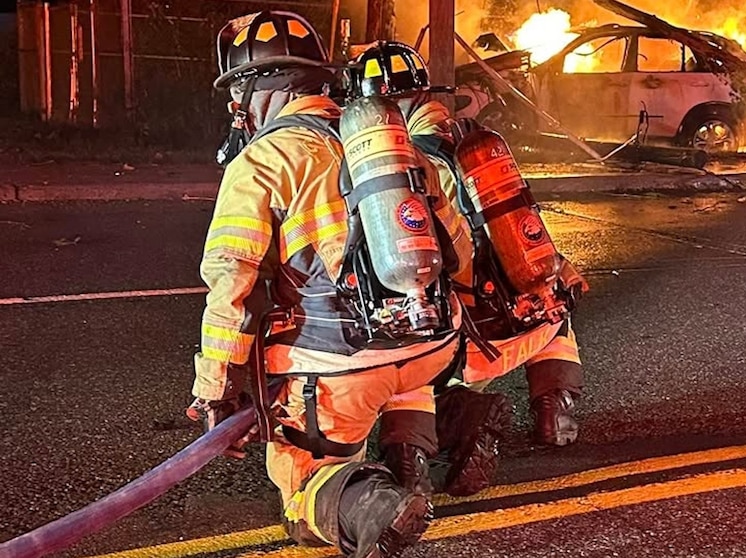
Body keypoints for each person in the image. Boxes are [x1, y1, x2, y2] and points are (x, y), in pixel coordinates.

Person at [185, 13, 466, 557]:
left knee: (301, 486)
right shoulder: (392, 142)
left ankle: (373, 503)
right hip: (430, 345)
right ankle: (408, 460)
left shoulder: (264, 160)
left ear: (257, 89)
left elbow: (232, 283)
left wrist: (216, 388)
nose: (235, 111)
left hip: (342, 367)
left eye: (237, 95)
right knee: (400, 378)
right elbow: (455, 245)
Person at [348, 42, 588, 498]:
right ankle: (554, 409)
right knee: (556, 310)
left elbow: (437, 256)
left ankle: (411, 455)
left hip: (457, 340)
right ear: (422, 93)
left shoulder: (396, 168)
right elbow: (527, 232)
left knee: (403, 353)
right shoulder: (479, 142)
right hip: (522, 324)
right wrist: (564, 274)